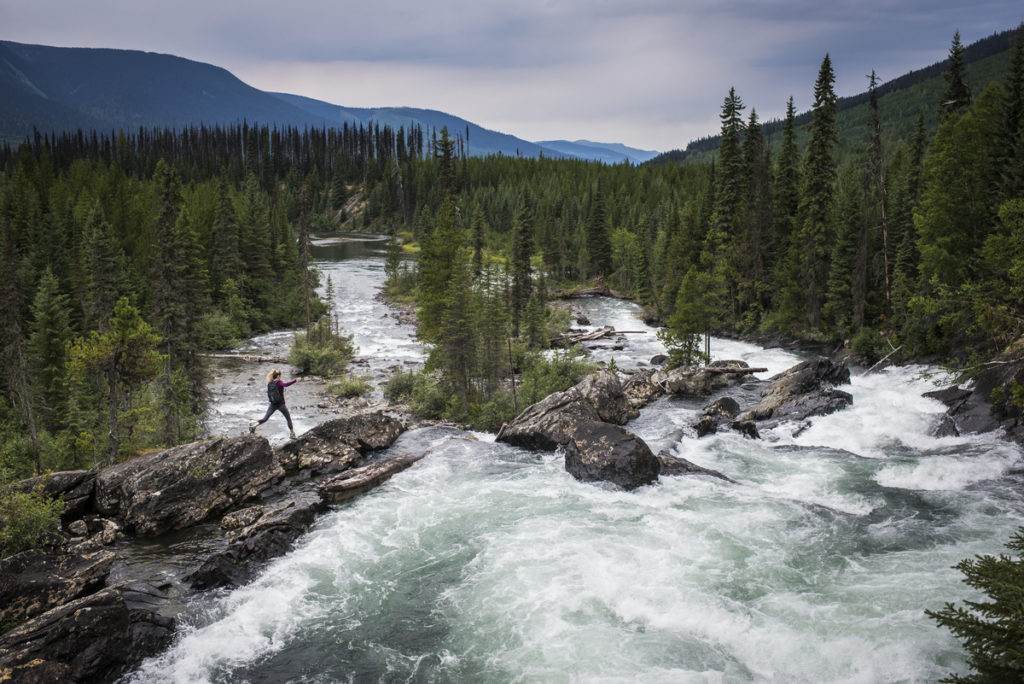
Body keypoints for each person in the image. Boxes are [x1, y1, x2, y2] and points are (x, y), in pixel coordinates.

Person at [250, 369, 301, 439]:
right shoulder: (279, 382)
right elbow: (286, 385)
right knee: (288, 418)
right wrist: (295, 380)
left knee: (265, 418)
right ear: (278, 376)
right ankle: (292, 433)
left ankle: (254, 426)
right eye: (280, 376)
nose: (280, 377)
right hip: (281, 404)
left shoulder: (270, 383)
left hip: (272, 404)